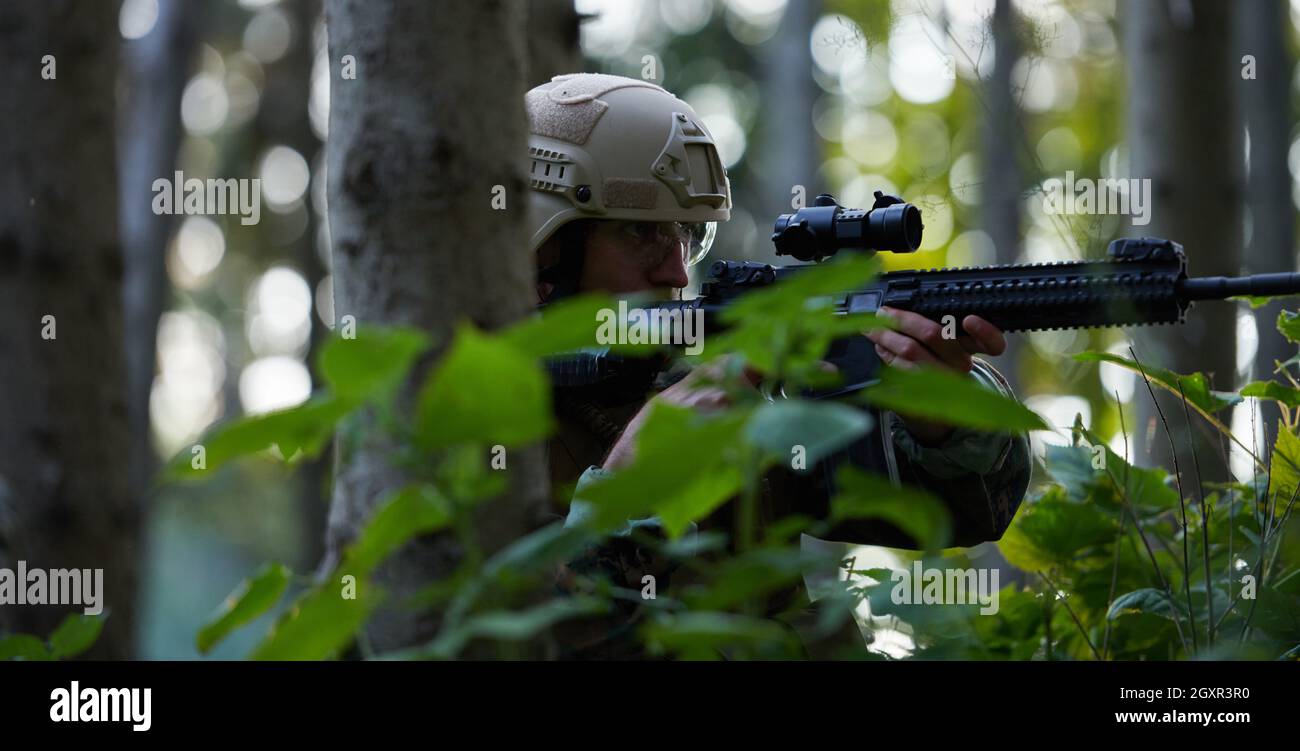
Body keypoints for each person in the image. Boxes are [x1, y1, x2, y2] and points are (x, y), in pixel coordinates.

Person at [525, 73, 1031, 656]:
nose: (674, 271)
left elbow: (953, 512)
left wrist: (940, 420)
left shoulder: (705, 401)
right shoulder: (454, 435)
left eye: (685, 236)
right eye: (641, 232)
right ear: (545, 248)